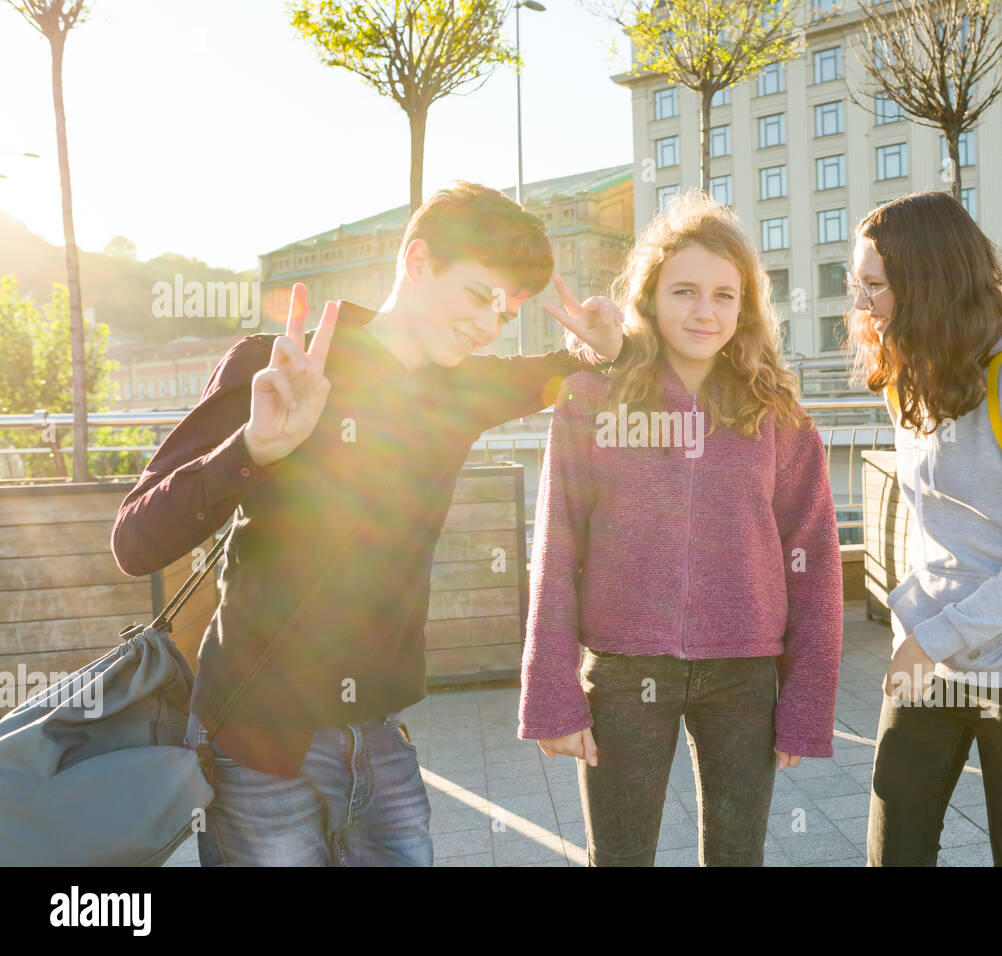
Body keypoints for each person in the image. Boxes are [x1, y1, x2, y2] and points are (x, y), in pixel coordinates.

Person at [110, 181, 626, 866]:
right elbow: (134, 541)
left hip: (381, 739)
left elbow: (576, 367)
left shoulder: (462, 390)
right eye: (477, 296)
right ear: (417, 262)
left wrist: (605, 347)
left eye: (504, 313)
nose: (487, 325)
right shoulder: (279, 364)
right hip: (258, 739)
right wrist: (254, 450)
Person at [517, 191, 843, 866]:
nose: (706, 311)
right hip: (624, 669)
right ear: (651, 297)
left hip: (745, 674)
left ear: (747, 306)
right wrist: (553, 693)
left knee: (736, 858)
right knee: (621, 858)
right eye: (686, 290)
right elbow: (554, 546)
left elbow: (814, 559)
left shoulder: (775, 413)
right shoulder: (592, 398)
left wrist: (807, 698)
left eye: (726, 295)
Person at [846, 191, 1002, 867]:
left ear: (928, 284)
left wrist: (935, 639)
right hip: (929, 659)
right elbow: (935, 523)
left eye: (875, 286)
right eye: (855, 285)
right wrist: (914, 629)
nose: (860, 305)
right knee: (894, 856)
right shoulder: (908, 369)